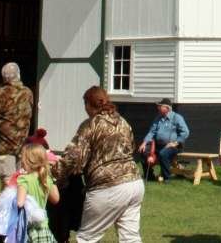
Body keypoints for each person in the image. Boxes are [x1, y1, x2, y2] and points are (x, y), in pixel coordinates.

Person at [53, 86, 143, 243]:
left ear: (88, 104)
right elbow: (132, 147)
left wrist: (54, 174)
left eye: (85, 105)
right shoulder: (123, 121)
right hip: (134, 184)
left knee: (87, 238)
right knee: (131, 238)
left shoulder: (90, 125)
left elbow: (74, 157)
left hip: (107, 187)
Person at [17, 141, 61, 242]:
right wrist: (52, 179)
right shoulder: (46, 179)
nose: (21, 160)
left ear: (29, 160)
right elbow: (56, 199)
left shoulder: (24, 179)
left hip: (29, 229)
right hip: (43, 228)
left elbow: (19, 203)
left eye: (22, 158)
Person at [138, 98, 190, 182]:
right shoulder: (158, 118)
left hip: (174, 146)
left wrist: (175, 142)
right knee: (143, 151)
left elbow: (185, 132)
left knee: (163, 153)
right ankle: (150, 176)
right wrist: (144, 142)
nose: (158, 108)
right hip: (158, 145)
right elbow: (151, 132)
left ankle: (166, 177)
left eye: (160, 106)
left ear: (167, 108)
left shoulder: (177, 118)